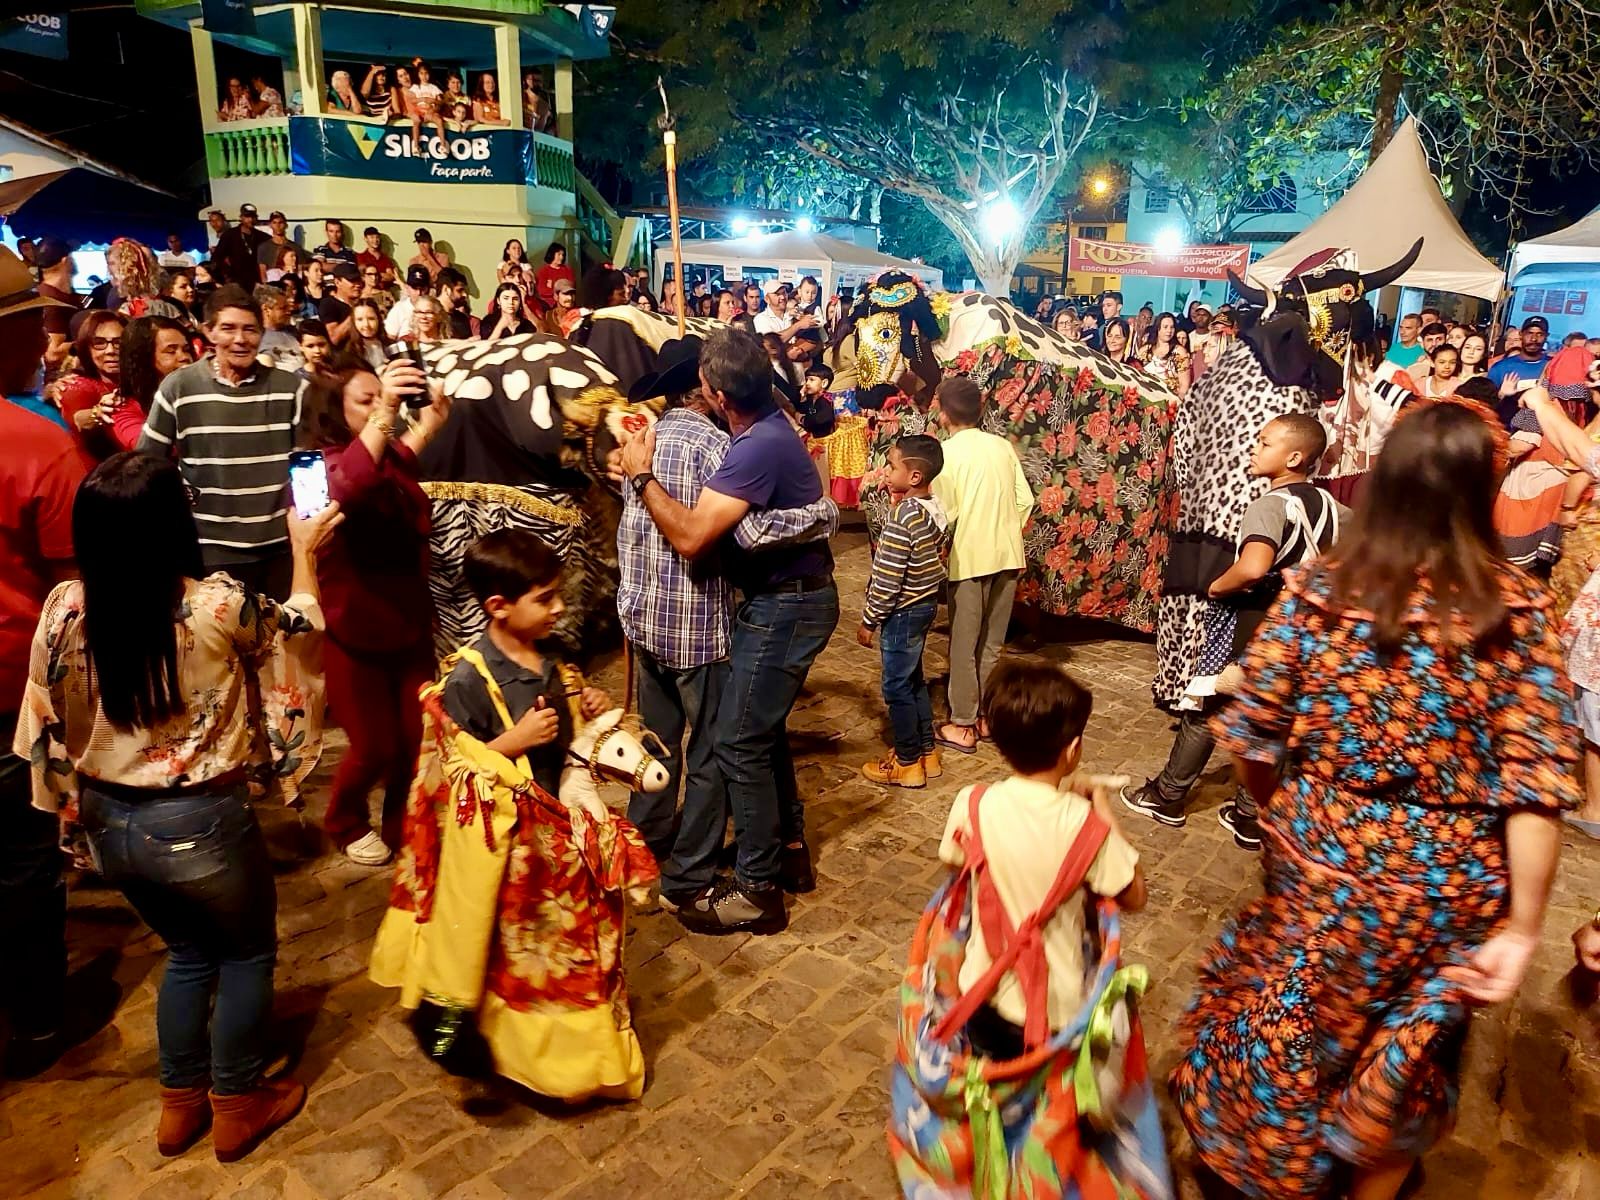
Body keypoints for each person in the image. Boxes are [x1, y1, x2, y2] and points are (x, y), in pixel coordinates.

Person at [1172, 399, 1579, 1200]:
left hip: (1317, 863)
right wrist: (1524, 928)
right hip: (1444, 889)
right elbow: (1536, 790)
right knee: (1407, 1056)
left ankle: (1265, 1160)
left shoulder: (1320, 593)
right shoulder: (1517, 613)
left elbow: (1253, 736)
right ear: (1481, 489)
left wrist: (1286, 812)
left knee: (1291, 1024)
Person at [16, 451, 339, 1159]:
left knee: (189, 953)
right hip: (199, 822)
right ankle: (237, 1100)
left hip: (108, 822)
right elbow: (298, 630)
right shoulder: (215, 605)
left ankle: (180, 1101)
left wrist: (61, 810)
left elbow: (40, 715)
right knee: (248, 952)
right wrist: (303, 552)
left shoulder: (65, 607)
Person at [618, 328, 839, 933]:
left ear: (714, 392)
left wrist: (639, 476)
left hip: (752, 609)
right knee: (749, 736)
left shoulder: (726, 446)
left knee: (734, 740)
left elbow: (697, 536)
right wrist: (822, 511)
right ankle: (777, 859)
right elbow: (730, 532)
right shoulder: (735, 440)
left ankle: (756, 887)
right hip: (715, 618)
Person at [1122, 414, 1344, 848]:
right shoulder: (1337, 511)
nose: (1254, 449)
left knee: (1209, 708)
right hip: (1302, 633)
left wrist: (1216, 585)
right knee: (1273, 719)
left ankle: (1167, 796)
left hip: (1254, 624)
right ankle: (1249, 816)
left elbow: (1254, 567)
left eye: (1264, 443)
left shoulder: (1271, 505)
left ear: (1294, 457)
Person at [0, 258, 111, 1082]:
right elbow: (81, 595)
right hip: (12, 698)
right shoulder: (39, 445)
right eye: (29, 323)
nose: (44, 337)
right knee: (23, 862)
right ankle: (37, 1023)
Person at [936, 658, 1146, 1062]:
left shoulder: (973, 803)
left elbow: (956, 866)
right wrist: (1101, 808)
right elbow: (1134, 895)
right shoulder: (1086, 825)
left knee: (995, 1087)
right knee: (1048, 1101)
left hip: (980, 990)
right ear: (1073, 750)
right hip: (1055, 1008)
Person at [299, 357, 447, 864]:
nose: (381, 405)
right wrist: (388, 411)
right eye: (366, 399)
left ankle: (401, 823)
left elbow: (395, 461)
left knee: (414, 739)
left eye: (382, 396)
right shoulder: (310, 466)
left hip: (406, 621)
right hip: (352, 626)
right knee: (371, 746)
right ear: (334, 411)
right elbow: (345, 489)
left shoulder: (382, 453)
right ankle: (344, 819)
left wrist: (428, 422)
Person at [137, 285, 306, 598]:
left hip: (281, 550)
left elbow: (307, 464)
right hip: (209, 552)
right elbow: (146, 464)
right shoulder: (179, 387)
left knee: (281, 644)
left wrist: (307, 537)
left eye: (250, 330)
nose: (240, 340)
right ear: (209, 332)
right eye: (228, 328)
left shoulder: (289, 387)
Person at [931, 377, 1035, 755]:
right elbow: (1026, 500)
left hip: (970, 558)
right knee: (991, 643)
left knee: (963, 643)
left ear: (944, 413)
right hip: (1008, 555)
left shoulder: (948, 453)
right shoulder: (1001, 446)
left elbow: (947, 513)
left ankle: (961, 723)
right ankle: (986, 717)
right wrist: (1003, 528)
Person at [859, 435, 949, 787]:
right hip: (925, 604)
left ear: (914, 476)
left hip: (902, 611)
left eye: (893, 465)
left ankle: (907, 760)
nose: (886, 471)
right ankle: (927, 751)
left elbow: (888, 577)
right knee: (913, 681)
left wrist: (869, 620)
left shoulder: (902, 519)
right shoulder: (933, 508)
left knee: (895, 686)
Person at [113, 315, 195, 451]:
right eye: (171, 351)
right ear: (144, 357)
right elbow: (146, 450)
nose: (184, 357)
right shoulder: (123, 407)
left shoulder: (201, 392)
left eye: (186, 350)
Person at [57, 310, 127, 456]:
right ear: (86, 348)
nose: (110, 350)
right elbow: (78, 419)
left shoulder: (138, 380)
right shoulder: (75, 385)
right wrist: (97, 413)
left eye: (118, 342)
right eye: (99, 343)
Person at [1488, 315, 1553, 426]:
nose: (1534, 339)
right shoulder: (1501, 367)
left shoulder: (1553, 366)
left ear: (1546, 336)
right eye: (1529, 333)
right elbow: (1485, 406)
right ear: (1521, 334)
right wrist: (1501, 394)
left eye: (1540, 334)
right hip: (1505, 431)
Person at [35, 236, 81, 376]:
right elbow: (52, 354)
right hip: (58, 381)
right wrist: (87, 340)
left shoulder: (57, 295)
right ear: (65, 260)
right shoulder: (51, 300)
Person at [212, 204, 267, 288]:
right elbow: (217, 258)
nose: (250, 220)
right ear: (241, 217)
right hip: (237, 283)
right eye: (247, 217)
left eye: (253, 217)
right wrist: (227, 277)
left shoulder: (262, 237)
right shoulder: (229, 235)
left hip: (257, 283)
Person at [1139, 310, 1191, 397]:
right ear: (1158, 328)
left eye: (1172, 327)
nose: (1169, 331)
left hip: (1171, 402)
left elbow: (1184, 386)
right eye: (1165, 327)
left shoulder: (1180, 352)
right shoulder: (1144, 350)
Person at [384, 264, 432, 340]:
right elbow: (389, 338)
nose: (419, 293)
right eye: (415, 288)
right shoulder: (399, 309)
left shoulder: (435, 309)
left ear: (428, 289)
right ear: (408, 288)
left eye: (422, 288)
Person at [318, 262, 361, 347]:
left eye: (358, 280)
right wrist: (355, 313)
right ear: (337, 282)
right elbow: (334, 338)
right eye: (352, 281)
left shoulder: (364, 303)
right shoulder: (329, 304)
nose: (357, 285)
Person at [255, 211, 295, 284]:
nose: (277, 225)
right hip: (273, 285)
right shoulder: (263, 247)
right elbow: (262, 271)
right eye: (274, 223)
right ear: (270, 225)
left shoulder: (294, 246)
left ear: (286, 225)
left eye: (280, 222)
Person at [349, 298, 389, 369]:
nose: (366, 325)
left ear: (379, 319)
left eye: (371, 319)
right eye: (360, 319)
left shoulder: (388, 344)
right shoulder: (351, 351)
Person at [533, 242, 574, 311]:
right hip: (548, 306)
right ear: (552, 254)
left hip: (566, 303)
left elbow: (571, 287)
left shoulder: (568, 270)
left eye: (563, 255)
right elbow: (542, 291)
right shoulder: (543, 271)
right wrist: (559, 291)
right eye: (559, 254)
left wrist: (552, 288)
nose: (561, 257)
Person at [436, 267, 475, 339]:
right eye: (459, 290)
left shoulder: (462, 318)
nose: (465, 295)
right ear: (446, 289)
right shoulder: (431, 316)